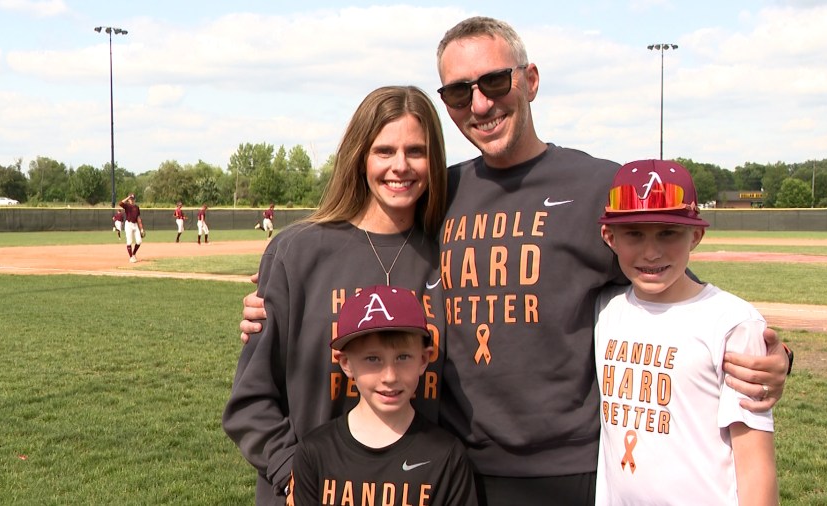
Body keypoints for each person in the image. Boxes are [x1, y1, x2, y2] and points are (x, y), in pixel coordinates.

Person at [239, 17, 790, 506]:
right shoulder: (440, 195)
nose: (480, 104)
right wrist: (278, 307)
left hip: (565, 468)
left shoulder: (595, 185)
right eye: (458, 94)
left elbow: (667, 282)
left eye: (495, 82)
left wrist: (774, 355)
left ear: (529, 81)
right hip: (453, 465)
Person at [222, 85, 448, 506]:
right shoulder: (297, 251)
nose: (401, 166)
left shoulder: (449, 253)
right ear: (360, 156)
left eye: (416, 151)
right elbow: (251, 399)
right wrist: (293, 474)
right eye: (384, 151)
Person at [594, 159, 778, 505]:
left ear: (695, 235)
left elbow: (756, 465)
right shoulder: (605, 310)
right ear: (610, 237)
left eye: (668, 232)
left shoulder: (733, 323)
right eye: (634, 233)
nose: (651, 251)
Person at [291, 285, 477, 506]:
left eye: (403, 357)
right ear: (346, 363)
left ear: (424, 360)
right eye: (373, 359)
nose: (390, 376)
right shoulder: (315, 453)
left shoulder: (446, 457)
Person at [119, 193, 144, 263]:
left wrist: (141, 228)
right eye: (130, 199)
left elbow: (138, 218)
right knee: (129, 241)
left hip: (135, 225)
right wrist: (127, 198)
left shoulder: (137, 207)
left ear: (135, 200)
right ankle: (131, 257)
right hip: (128, 224)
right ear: (128, 200)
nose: (131, 200)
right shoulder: (127, 206)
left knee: (139, 241)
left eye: (132, 199)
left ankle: (133, 254)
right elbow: (120, 203)